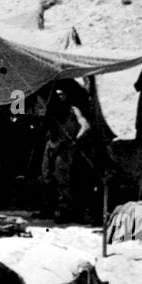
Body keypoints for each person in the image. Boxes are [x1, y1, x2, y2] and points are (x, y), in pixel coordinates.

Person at [39, 86, 92, 220]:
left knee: (61, 178)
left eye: (62, 94)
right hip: (51, 145)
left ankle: (66, 210)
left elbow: (85, 125)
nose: (60, 97)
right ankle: (48, 208)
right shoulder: (52, 110)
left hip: (64, 147)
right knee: (46, 176)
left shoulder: (73, 110)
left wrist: (76, 139)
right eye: (57, 95)